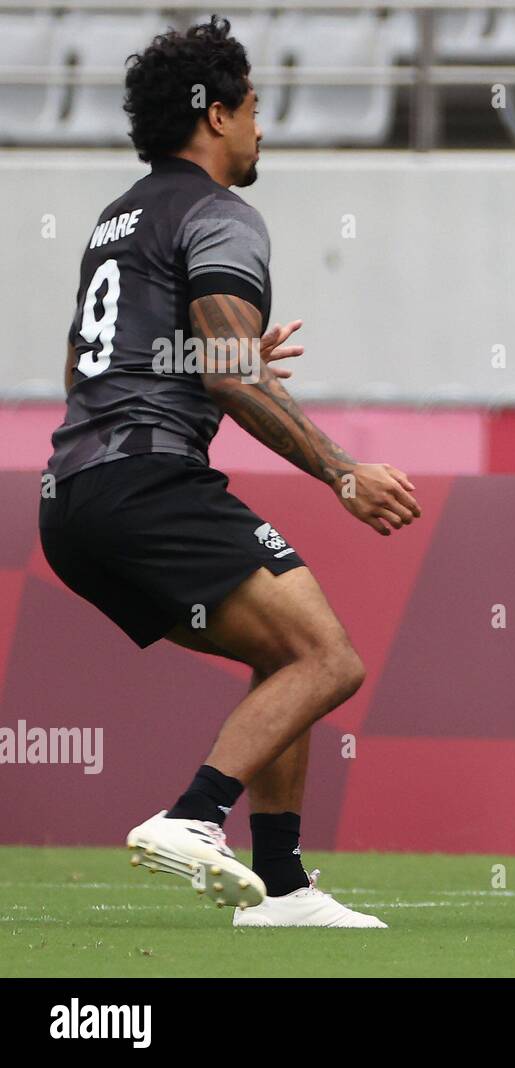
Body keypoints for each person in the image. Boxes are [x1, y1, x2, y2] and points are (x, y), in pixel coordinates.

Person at [38, 16, 420, 927]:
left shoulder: (118, 216)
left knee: (283, 652)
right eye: (254, 108)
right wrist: (341, 470)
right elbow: (227, 373)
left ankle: (280, 886)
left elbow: (86, 371)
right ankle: (193, 815)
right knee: (329, 657)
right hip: (145, 483)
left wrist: (215, 363)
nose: (261, 129)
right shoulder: (223, 214)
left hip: (75, 496)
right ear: (215, 114)